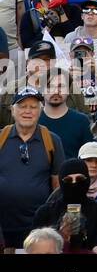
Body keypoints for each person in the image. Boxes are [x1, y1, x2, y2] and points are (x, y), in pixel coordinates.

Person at [0, 87, 65, 248]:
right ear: (12, 110)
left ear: (40, 111)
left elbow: (58, 186)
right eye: (22, 106)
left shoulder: (52, 140)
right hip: (3, 226)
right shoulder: (1, 138)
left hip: (39, 228)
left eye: (33, 107)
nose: (27, 111)